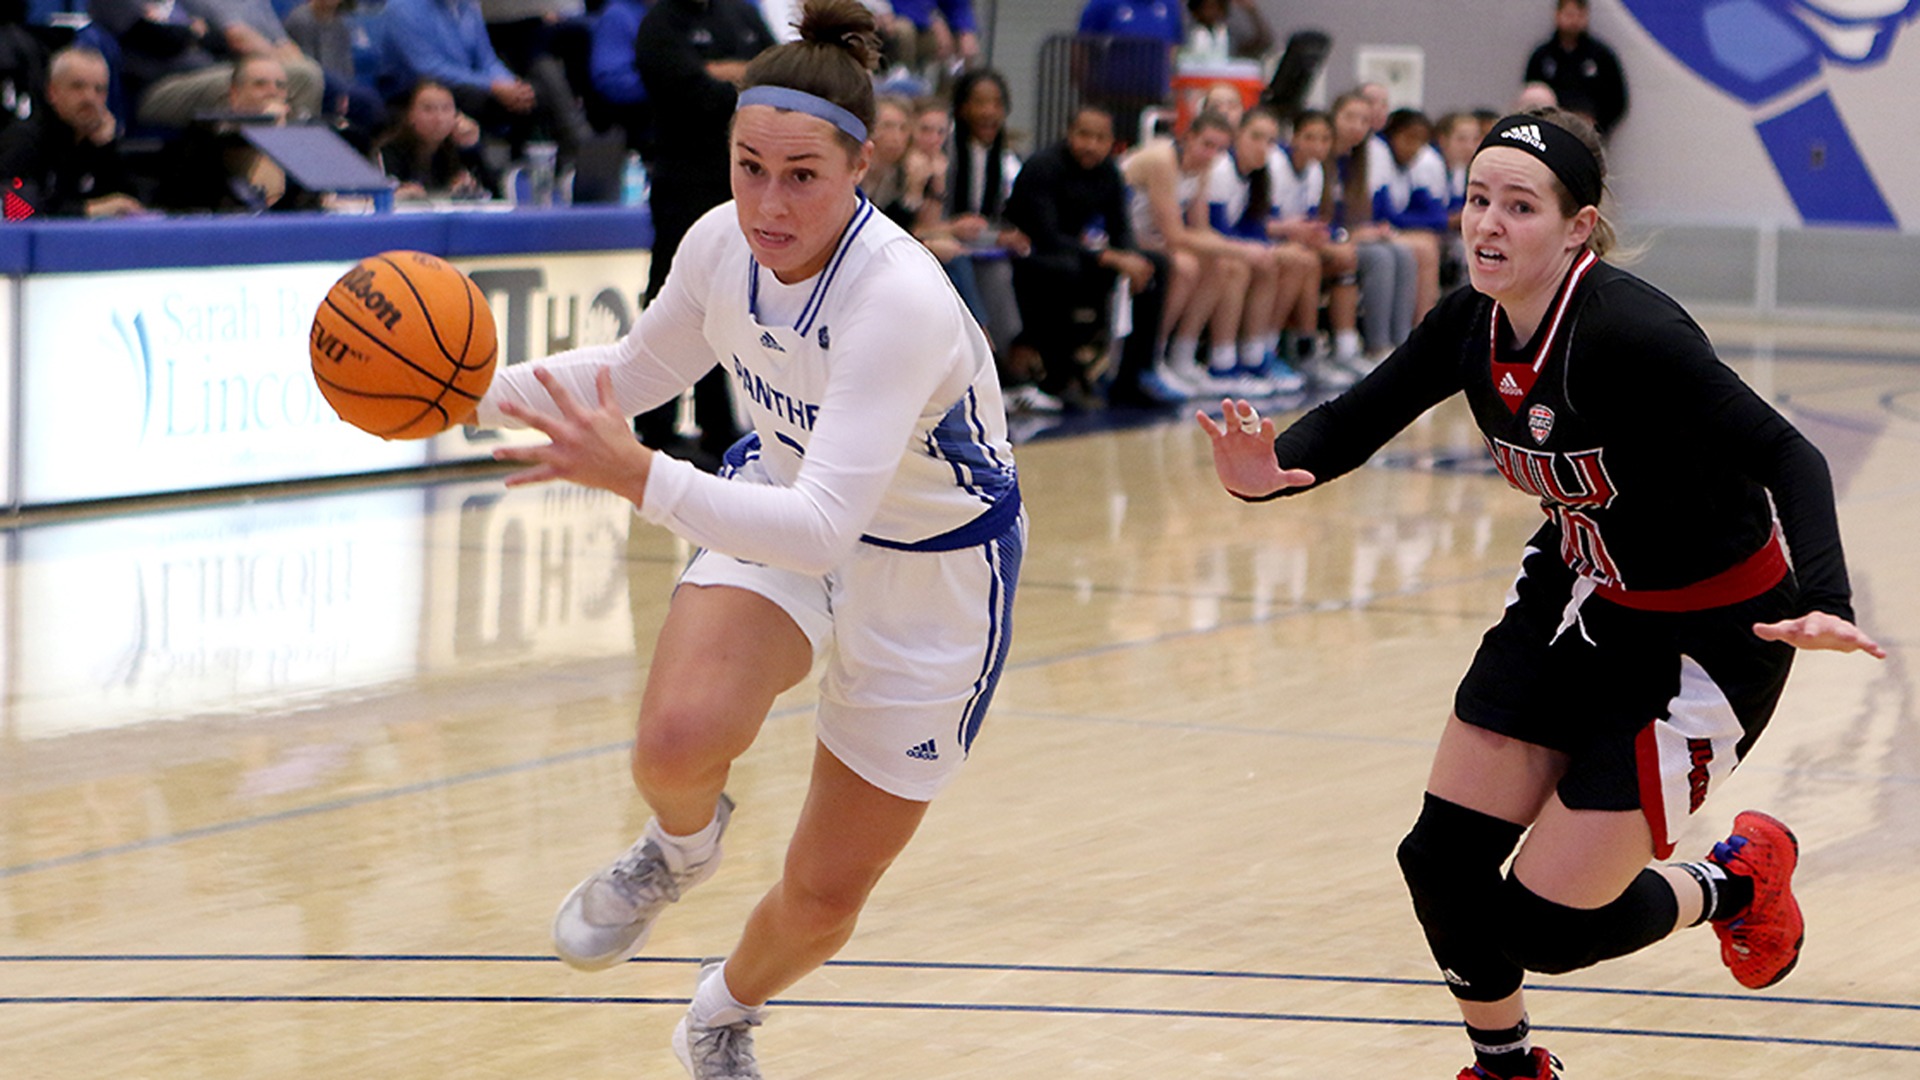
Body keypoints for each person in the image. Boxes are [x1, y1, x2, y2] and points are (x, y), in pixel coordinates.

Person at [1199, 105, 1884, 1080]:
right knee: (1438, 862)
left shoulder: (1633, 331)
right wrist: (1267, 470)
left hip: (1707, 638)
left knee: (1549, 930)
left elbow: (1788, 450)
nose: (1487, 224)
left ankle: (1731, 884)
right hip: (1578, 593)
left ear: (1576, 227)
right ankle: (1509, 1066)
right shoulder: (1469, 324)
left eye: (1518, 206)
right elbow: (1355, 419)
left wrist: (1830, 599)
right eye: (1478, 199)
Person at [475, 7, 1021, 1078]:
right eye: (748, 166)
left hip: (933, 573)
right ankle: (680, 846)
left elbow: (829, 525)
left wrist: (639, 475)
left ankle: (719, 1015)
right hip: (777, 500)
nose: (770, 203)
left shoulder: (899, 297)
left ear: (864, 164)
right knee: (673, 744)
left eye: (803, 175)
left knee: (823, 896)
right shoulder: (720, 242)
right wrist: (461, 392)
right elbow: (630, 378)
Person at [632, 0, 775, 467]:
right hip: (681, 183)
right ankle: (655, 426)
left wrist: (723, 73)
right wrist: (738, 78)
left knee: (728, 298)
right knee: (671, 299)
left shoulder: (742, 13)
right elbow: (691, 94)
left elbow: (776, 81)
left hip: (740, 184)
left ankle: (717, 424)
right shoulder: (660, 23)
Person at [1001, 103, 1156, 410]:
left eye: (1100, 138)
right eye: (1084, 135)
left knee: (1155, 267)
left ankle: (1134, 374)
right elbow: (1046, 236)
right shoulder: (1042, 166)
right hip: (1030, 256)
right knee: (1064, 271)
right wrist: (1108, 257)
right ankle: (1059, 377)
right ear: (1069, 133)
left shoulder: (1108, 171)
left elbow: (1120, 227)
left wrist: (1133, 258)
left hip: (1078, 254)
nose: (1091, 145)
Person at [1118, 107, 1237, 400]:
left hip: (1153, 240)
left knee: (1221, 265)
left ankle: (1182, 356)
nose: (1212, 155)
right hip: (1118, 236)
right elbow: (1176, 236)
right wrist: (1245, 249)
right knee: (1184, 266)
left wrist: (1236, 252)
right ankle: (1152, 358)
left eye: (1220, 149)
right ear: (1188, 137)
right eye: (1207, 145)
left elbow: (1200, 229)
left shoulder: (1203, 168)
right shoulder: (1162, 159)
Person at [379, 0, 585, 164]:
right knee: (481, 99)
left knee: (532, 95)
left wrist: (512, 85)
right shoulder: (402, 7)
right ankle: (488, 173)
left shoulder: (467, 6)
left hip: (467, 83)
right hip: (416, 88)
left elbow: (486, 59)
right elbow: (429, 66)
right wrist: (492, 86)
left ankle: (545, 166)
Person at [1199, 105, 1314, 396]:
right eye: (1256, 137)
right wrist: (1259, 249)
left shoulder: (1257, 177)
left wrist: (1267, 248)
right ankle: (1222, 362)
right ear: (1238, 136)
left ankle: (1256, 354)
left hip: (1224, 246)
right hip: (1205, 247)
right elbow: (1214, 230)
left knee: (1278, 261)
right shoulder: (1222, 168)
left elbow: (1252, 228)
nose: (1263, 147)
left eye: (1270, 141)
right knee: (1241, 265)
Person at [152, 55, 326, 212]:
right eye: (260, 84)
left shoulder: (300, 136)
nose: (273, 92)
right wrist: (269, 128)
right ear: (235, 94)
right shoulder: (207, 133)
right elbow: (262, 198)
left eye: (280, 86)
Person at [1323, 89, 1418, 360]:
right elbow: (1318, 218)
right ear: (1334, 118)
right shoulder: (1324, 158)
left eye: (1364, 121)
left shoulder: (1360, 160)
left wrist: (1368, 231)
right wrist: (1347, 235)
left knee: (1402, 252)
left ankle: (1400, 345)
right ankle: (1377, 346)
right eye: (1349, 117)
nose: (1357, 126)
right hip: (1328, 240)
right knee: (1379, 258)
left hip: (1345, 237)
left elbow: (1359, 215)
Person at [0, 45, 145, 217]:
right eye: (77, 87)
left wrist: (106, 149)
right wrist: (88, 210)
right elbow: (16, 209)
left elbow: (130, 204)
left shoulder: (96, 141)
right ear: (52, 92)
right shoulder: (25, 139)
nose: (89, 98)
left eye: (99, 90)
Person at [373, 78, 494, 199]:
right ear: (410, 115)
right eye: (428, 109)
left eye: (446, 108)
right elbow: (385, 195)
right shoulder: (389, 150)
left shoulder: (459, 148)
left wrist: (471, 148)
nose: (439, 118)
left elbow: (492, 194)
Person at [1525, 0, 1627, 138]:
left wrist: (1598, 124)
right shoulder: (1542, 56)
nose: (1574, 21)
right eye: (1569, 14)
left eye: (1579, 15)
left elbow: (1617, 99)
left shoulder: (1601, 56)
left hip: (1589, 133)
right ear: (1557, 15)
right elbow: (1530, 94)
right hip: (1549, 132)